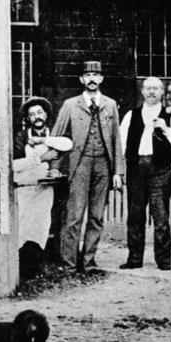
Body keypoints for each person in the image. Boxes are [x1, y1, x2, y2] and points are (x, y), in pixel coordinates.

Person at [52, 60, 123, 274]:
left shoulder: (109, 105)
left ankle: (89, 261)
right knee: (74, 215)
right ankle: (69, 264)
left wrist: (118, 171)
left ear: (101, 79)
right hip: (79, 164)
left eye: (96, 75)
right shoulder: (70, 105)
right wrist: (54, 166)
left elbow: (116, 140)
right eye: (87, 75)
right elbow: (56, 137)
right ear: (82, 79)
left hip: (103, 164)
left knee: (97, 216)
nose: (92, 79)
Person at [118, 76, 171, 271]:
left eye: (156, 88)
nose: (151, 92)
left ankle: (164, 260)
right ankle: (134, 259)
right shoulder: (131, 115)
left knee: (161, 215)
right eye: (148, 88)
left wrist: (166, 129)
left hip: (160, 169)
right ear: (142, 91)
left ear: (162, 92)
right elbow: (121, 143)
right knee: (135, 215)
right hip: (136, 168)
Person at [12, 96, 71, 277]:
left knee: (41, 226)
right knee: (24, 226)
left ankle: (38, 265)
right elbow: (13, 165)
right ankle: (23, 268)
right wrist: (39, 158)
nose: (36, 117)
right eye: (31, 114)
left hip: (46, 189)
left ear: (46, 114)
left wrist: (43, 142)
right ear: (27, 119)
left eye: (39, 113)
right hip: (26, 187)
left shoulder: (53, 134)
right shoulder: (21, 137)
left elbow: (68, 144)